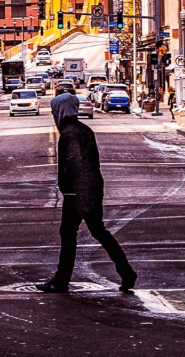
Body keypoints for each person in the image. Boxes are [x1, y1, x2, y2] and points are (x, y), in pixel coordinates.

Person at [38, 94, 137, 293]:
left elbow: (73, 165)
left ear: (61, 110)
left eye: (54, 110)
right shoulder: (83, 129)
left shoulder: (69, 133)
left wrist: (68, 190)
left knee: (68, 235)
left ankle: (61, 280)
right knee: (99, 231)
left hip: (78, 192)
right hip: (92, 188)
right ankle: (126, 271)